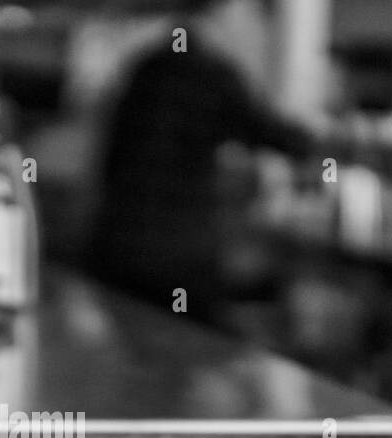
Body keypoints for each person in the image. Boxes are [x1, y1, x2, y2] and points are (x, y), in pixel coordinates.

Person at [88, 0, 314, 323]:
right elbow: (276, 135)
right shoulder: (214, 74)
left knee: (130, 344)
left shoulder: (143, 69)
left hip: (117, 246)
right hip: (179, 254)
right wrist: (323, 142)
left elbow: (108, 160)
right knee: (186, 349)